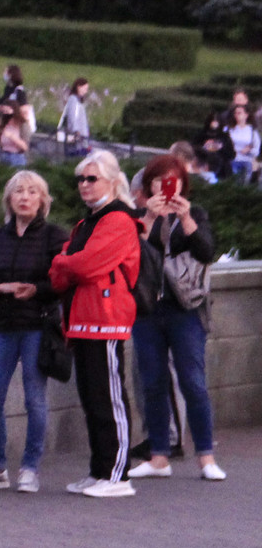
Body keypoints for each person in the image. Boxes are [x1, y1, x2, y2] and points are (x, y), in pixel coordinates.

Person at [47, 150, 142, 497]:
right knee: (92, 399)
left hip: (106, 318)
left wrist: (64, 261)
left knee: (108, 399)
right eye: (81, 179)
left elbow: (83, 265)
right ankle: (101, 470)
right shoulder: (88, 222)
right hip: (82, 319)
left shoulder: (118, 219)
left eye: (92, 178)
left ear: (113, 181)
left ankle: (117, 475)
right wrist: (66, 263)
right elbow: (60, 274)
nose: (84, 185)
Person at [0, 170, 66, 495]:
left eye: (32, 191)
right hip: (3, 327)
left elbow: (62, 283)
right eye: (19, 191)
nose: (25, 197)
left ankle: (30, 468)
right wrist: (1, 287)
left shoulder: (54, 237)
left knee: (34, 399)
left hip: (37, 325)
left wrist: (34, 290)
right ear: (9, 198)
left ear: (42, 200)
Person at [129, 155, 225, 482]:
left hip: (184, 309)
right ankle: (159, 456)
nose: (166, 186)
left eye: (173, 180)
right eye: (159, 181)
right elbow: (132, 253)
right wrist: (151, 216)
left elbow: (206, 251)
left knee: (193, 382)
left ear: (183, 183)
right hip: (147, 309)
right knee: (152, 381)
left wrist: (185, 218)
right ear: (148, 186)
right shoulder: (141, 217)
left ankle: (206, 457)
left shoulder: (195, 213)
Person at [59, 78, 92, 154]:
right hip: (76, 140)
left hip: (82, 140)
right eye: (85, 88)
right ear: (78, 87)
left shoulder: (79, 101)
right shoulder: (73, 100)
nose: (86, 91)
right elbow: (72, 117)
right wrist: (76, 132)